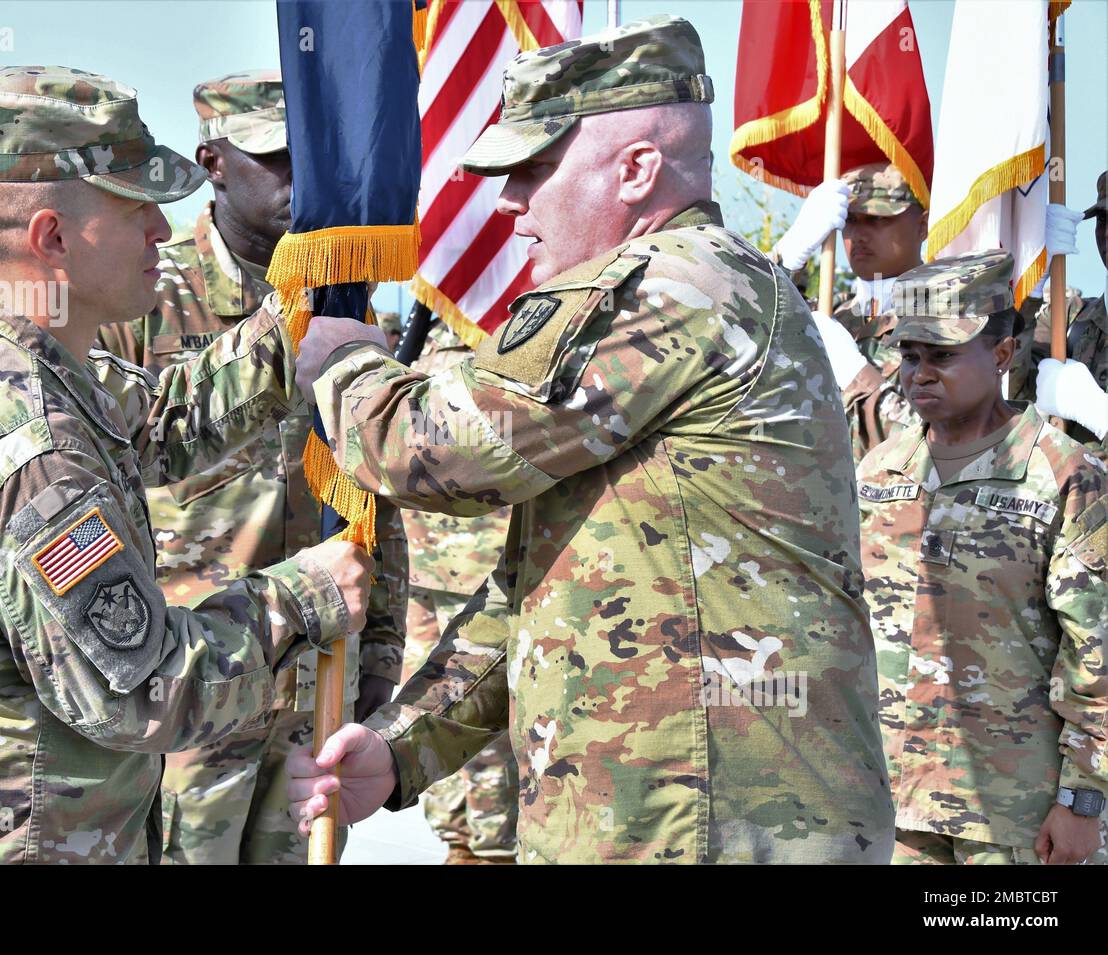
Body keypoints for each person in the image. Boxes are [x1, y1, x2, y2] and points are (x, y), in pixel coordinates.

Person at [285, 16, 894, 864]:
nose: (507, 205)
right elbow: (541, 597)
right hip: (652, 822)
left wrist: (344, 359)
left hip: (711, 830)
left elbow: (435, 450)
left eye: (532, 170)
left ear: (638, 169)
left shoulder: (677, 286)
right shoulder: (689, 294)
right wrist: (403, 748)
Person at [0, 65, 371, 865]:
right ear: (52, 237)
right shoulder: (31, 448)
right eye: (136, 208)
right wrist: (305, 594)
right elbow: (142, 687)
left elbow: (155, 418)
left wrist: (285, 347)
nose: (163, 228)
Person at [95, 72, 406, 865]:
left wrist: (377, 663)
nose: (302, 182)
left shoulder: (343, 301)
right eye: (274, 157)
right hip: (189, 692)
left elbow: (375, 497)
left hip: (307, 686)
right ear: (214, 161)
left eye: (312, 159)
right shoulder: (141, 300)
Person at [856, 250, 1107, 864]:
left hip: (1014, 812)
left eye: (943, 355)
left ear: (1001, 354)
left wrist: (1083, 800)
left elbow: (1097, 650)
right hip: (891, 804)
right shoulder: (879, 467)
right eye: (910, 356)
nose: (920, 374)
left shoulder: (1063, 473)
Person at [396, 321, 516, 864]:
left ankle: (490, 847)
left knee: (482, 710)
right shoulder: (429, 329)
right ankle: (458, 840)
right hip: (425, 561)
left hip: (488, 564)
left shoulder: (514, 334)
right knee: (429, 697)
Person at [772, 163, 930, 461]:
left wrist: (857, 375)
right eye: (851, 220)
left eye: (876, 218)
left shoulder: (950, 320)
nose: (858, 234)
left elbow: (934, 446)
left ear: (922, 225)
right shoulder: (828, 314)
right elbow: (738, 332)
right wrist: (785, 258)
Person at [1014, 171, 1108, 460]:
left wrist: (1100, 414)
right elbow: (1009, 392)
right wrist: (1028, 294)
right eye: (1103, 220)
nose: (1106, 233)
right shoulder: (1068, 319)